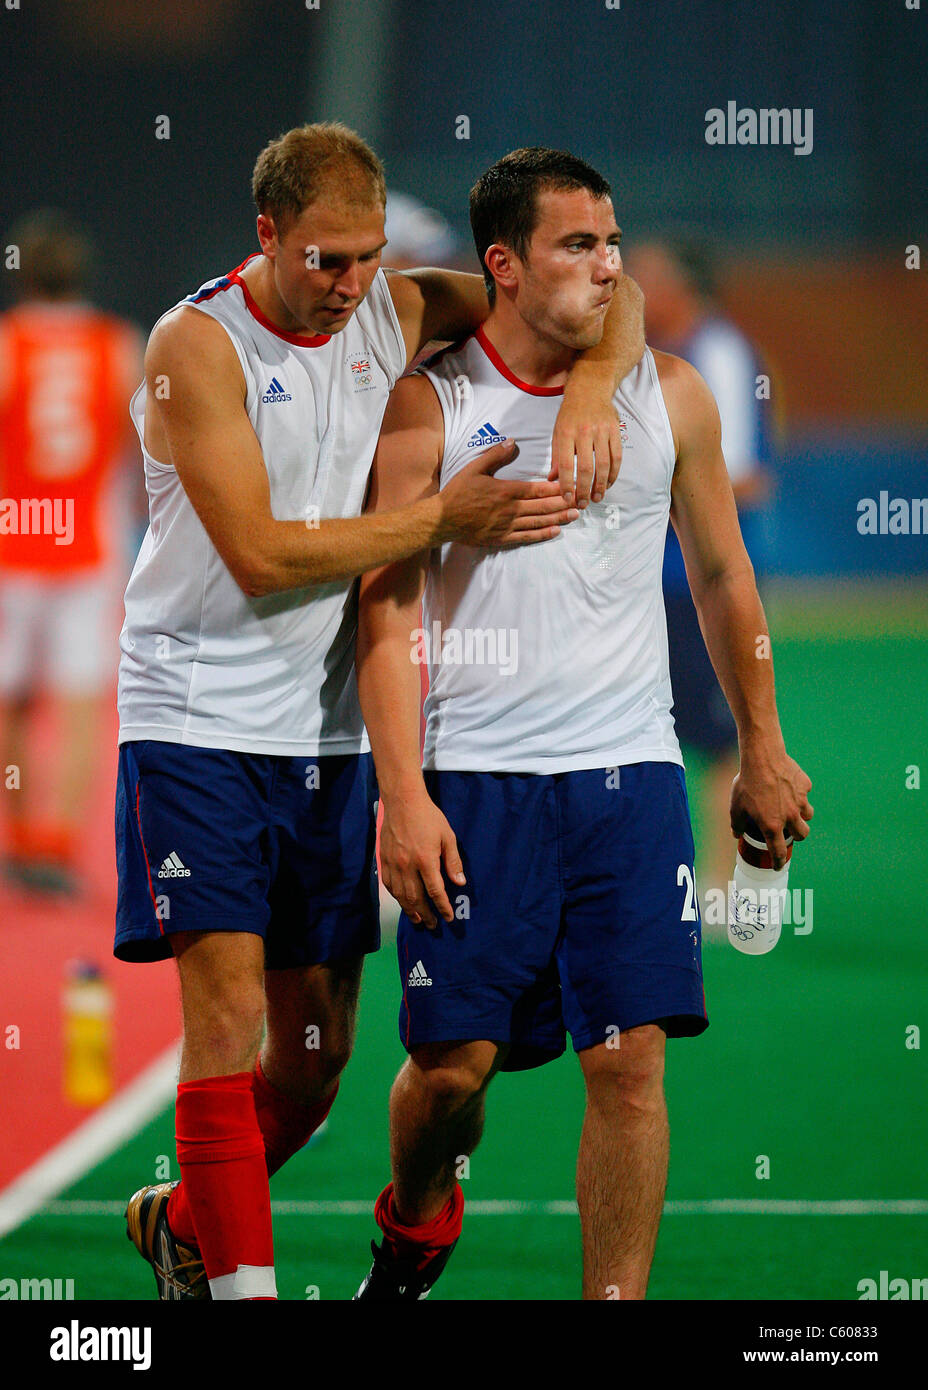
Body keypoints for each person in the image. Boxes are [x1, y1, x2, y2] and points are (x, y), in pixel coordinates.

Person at [117, 122, 646, 1302]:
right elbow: (258, 554)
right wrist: (439, 520)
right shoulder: (192, 346)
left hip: (326, 736)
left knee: (315, 1063)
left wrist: (598, 389)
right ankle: (239, 1291)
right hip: (194, 716)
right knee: (229, 1016)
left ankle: (182, 1224)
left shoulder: (392, 309)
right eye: (324, 262)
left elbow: (602, 291)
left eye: (366, 259)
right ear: (266, 236)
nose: (350, 286)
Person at [351, 147, 813, 1301]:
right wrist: (401, 796)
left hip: (631, 778)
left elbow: (721, 574)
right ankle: (413, 1225)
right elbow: (387, 600)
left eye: (612, 242)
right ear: (502, 266)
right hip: (476, 784)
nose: (608, 266)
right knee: (450, 1071)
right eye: (576, 245)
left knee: (629, 1063)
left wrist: (760, 744)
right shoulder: (431, 399)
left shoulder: (673, 393)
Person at [625, 237, 775, 916]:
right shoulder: (643, 360)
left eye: (648, 275)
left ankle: (722, 889)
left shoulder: (715, 353)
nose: (629, 284)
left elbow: (744, 478)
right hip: (649, 582)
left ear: (686, 284)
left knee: (720, 739)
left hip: (696, 586)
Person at [0, 210, 142, 895]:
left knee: (13, 698)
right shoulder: (116, 345)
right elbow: (141, 448)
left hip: (12, 545)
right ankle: (57, 843)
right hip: (88, 545)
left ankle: (23, 836)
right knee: (85, 700)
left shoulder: (6, 344)